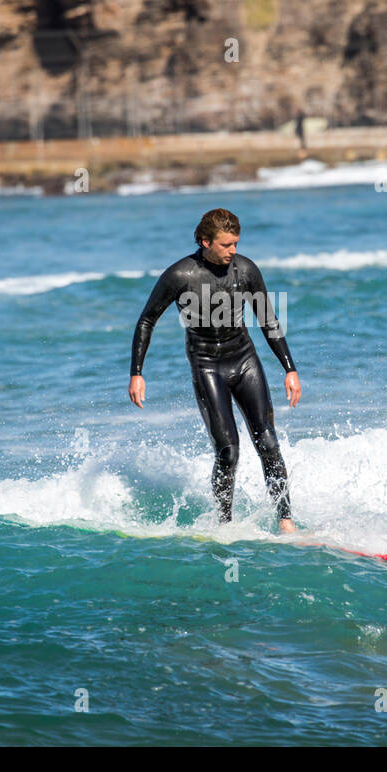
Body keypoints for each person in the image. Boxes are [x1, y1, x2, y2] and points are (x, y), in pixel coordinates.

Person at [130, 209, 301, 532]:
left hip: (245, 360)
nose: (232, 251)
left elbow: (267, 319)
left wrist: (289, 369)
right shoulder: (180, 275)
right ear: (206, 241)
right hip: (207, 366)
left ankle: (285, 519)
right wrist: (137, 372)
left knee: (267, 442)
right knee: (228, 452)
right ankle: (224, 525)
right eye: (226, 245)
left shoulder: (245, 270)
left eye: (236, 243)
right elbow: (147, 320)